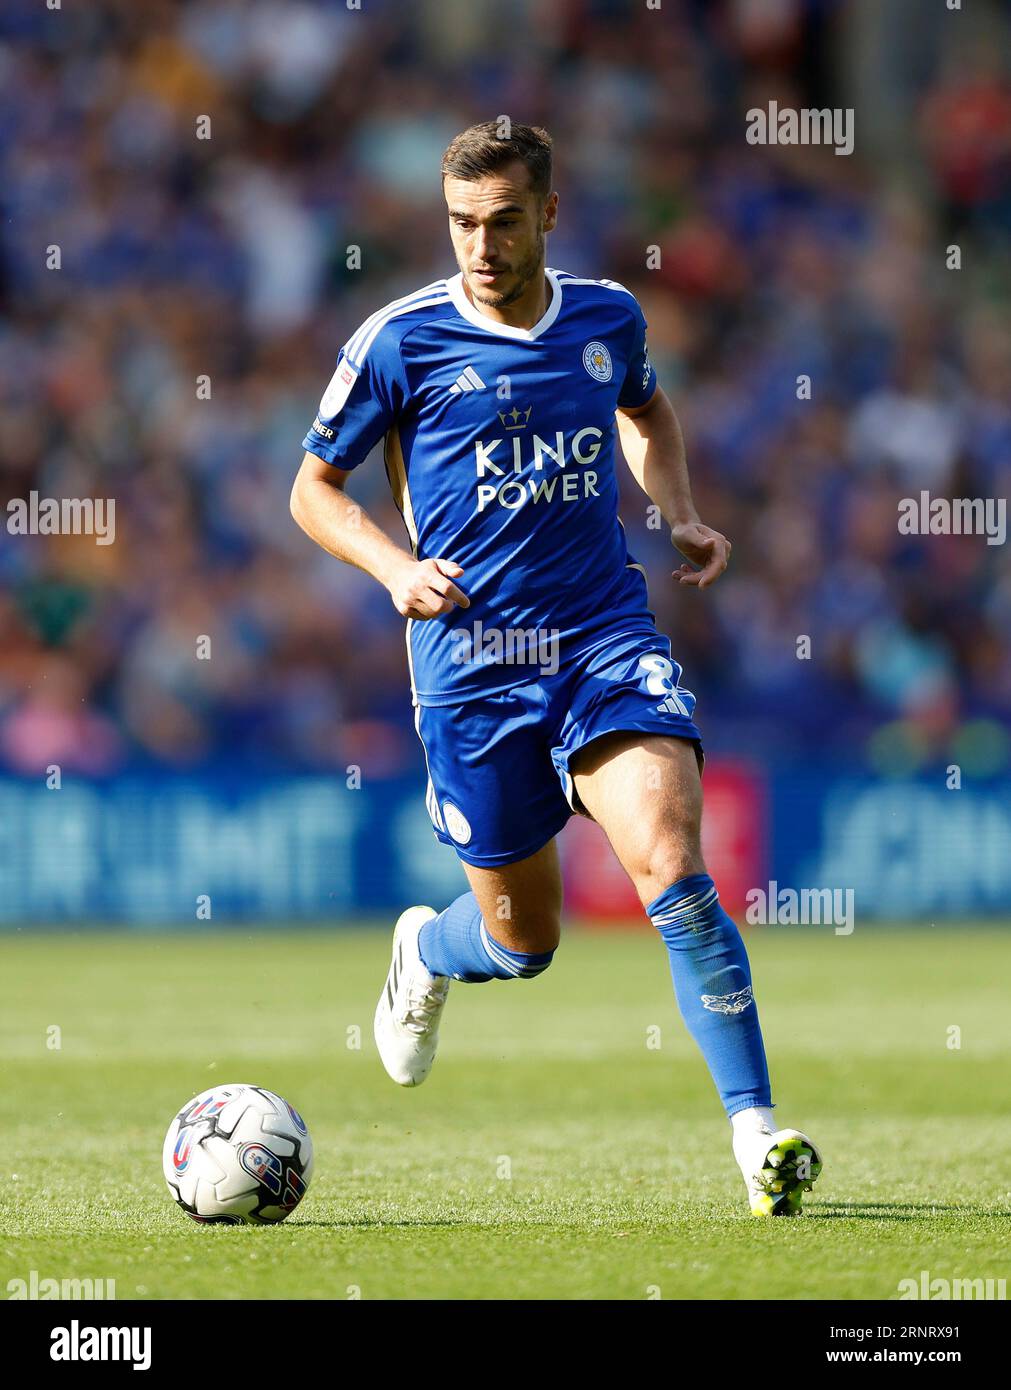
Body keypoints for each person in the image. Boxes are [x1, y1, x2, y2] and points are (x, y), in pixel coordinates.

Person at [290, 121, 822, 1216]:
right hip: (471, 665)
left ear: (549, 215)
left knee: (673, 860)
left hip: (600, 636)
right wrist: (393, 568)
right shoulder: (399, 341)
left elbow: (647, 407)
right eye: (461, 224)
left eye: (502, 222)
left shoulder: (605, 316)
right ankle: (430, 953)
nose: (480, 247)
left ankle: (756, 1132)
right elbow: (312, 491)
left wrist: (675, 509)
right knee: (523, 941)